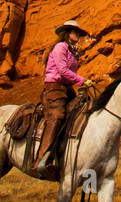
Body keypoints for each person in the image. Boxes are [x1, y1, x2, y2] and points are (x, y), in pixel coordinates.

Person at [35, 17, 95, 173]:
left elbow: (69, 73)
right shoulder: (60, 47)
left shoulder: (72, 51)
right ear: (68, 33)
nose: (78, 36)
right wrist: (82, 80)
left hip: (67, 88)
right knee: (58, 115)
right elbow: (62, 71)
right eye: (76, 32)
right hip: (54, 87)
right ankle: (42, 160)